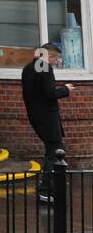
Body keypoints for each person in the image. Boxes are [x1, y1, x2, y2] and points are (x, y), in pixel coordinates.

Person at [22, 42, 76, 205]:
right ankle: (46, 189)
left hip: (36, 115)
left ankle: (47, 188)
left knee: (52, 151)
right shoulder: (44, 68)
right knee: (55, 152)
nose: (55, 62)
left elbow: (37, 92)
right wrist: (66, 89)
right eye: (56, 58)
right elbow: (49, 93)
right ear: (49, 56)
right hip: (47, 116)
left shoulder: (29, 68)